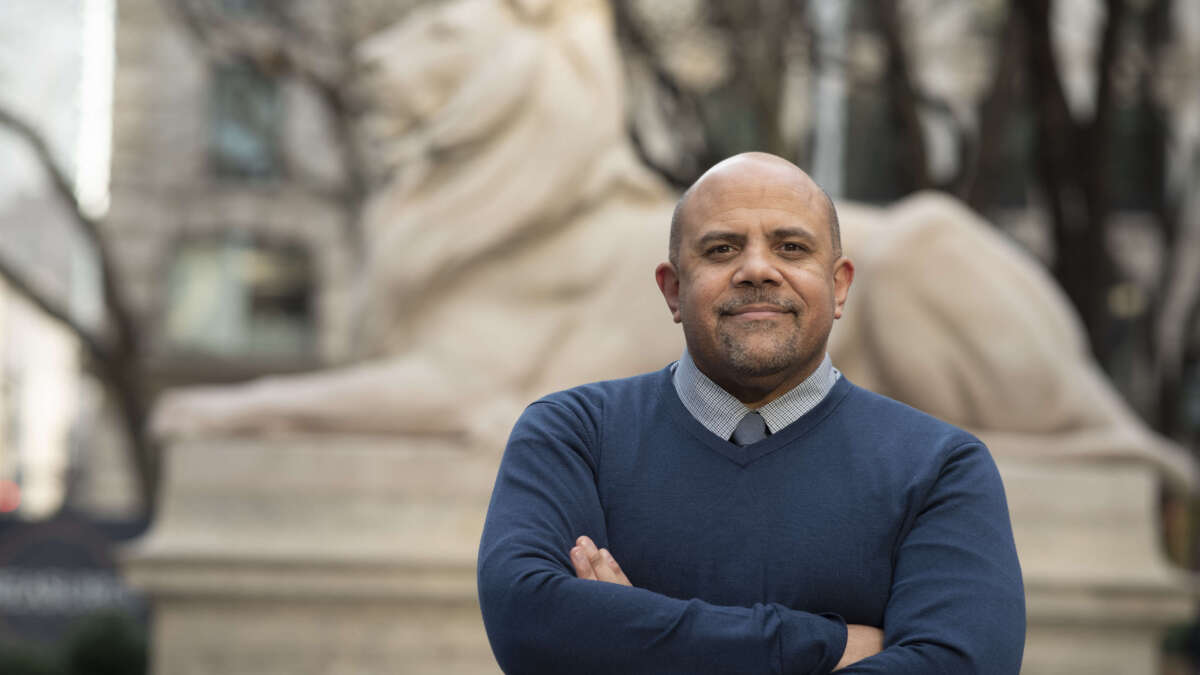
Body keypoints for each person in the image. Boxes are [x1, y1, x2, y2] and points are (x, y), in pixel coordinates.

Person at [477, 152, 1025, 673]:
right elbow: (528, 620)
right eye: (721, 250)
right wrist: (829, 643)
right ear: (672, 290)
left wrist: (630, 638)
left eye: (790, 248)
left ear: (839, 286)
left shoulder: (939, 467)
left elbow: (963, 663)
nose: (757, 270)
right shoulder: (575, 435)